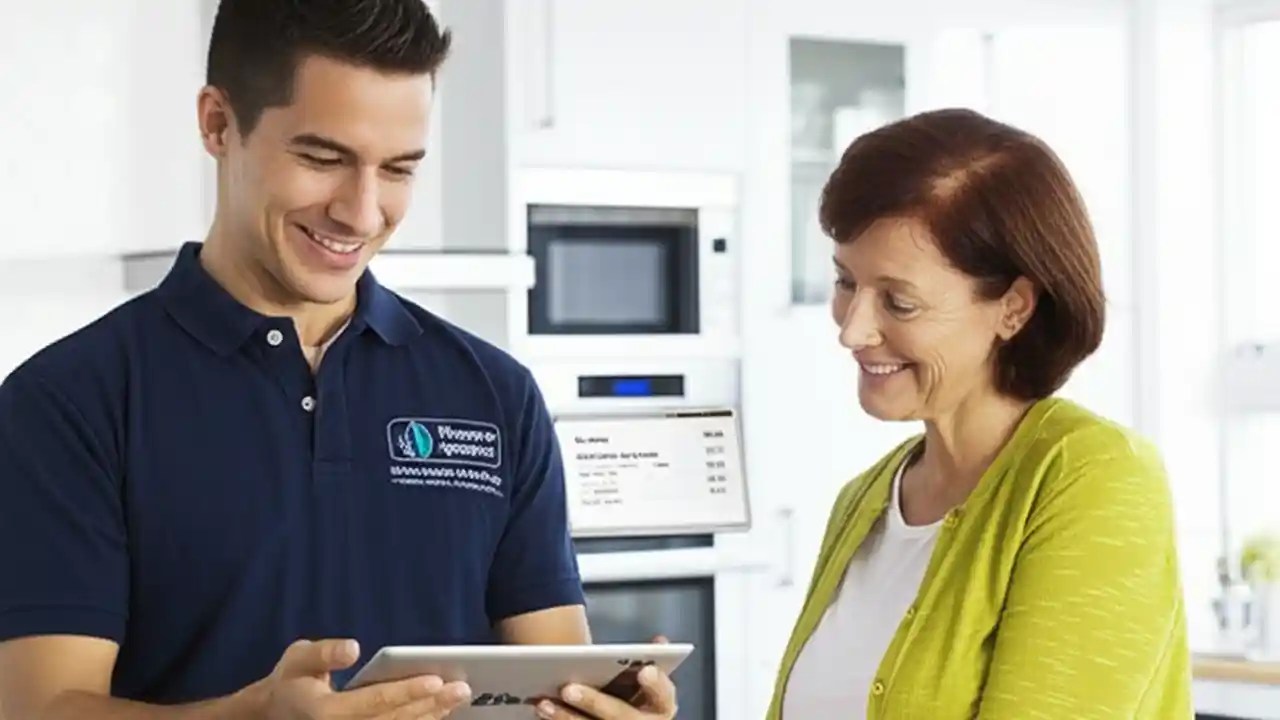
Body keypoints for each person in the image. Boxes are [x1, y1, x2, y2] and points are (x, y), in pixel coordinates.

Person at [0, 2, 676, 719]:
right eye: (322, 159)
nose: (361, 211)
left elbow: (549, 679)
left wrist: (602, 711)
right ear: (218, 124)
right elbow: (35, 706)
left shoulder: (496, 395)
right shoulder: (70, 402)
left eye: (399, 169)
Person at [767, 108, 1192, 718]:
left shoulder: (1096, 479)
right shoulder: (863, 503)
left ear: (1013, 308)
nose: (853, 330)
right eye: (845, 282)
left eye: (899, 302)